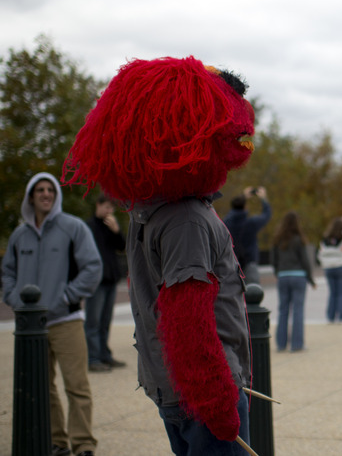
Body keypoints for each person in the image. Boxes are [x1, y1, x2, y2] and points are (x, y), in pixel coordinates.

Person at [63, 57, 258, 455]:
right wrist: (218, 402)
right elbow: (188, 319)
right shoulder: (186, 218)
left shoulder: (148, 211)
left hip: (173, 387)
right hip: (202, 397)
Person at [2, 172, 102, 456]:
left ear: (56, 195)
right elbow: (8, 272)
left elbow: (93, 267)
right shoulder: (20, 235)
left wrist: (67, 297)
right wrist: (14, 299)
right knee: (42, 388)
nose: (46, 194)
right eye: (40, 190)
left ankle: (83, 445)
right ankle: (57, 441)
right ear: (31, 196)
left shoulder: (73, 227)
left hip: (66, 321)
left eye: (51, 190)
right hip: (31, 327)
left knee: (77, 386)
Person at [84, 194, 127, 372]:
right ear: (98, 205)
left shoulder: (111, 226)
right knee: (93, 321)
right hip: (95, 281)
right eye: (107, 207)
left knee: (105, 321)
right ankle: (93, 358)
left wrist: (116, 231)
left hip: (110, 278)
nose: (110, 211)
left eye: (112, 208)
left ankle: (104, 355)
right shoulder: (88, 227)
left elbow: (122, 247)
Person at [272, 211, 316, 352]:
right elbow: (305, 261)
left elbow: (273, 260)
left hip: (283, 276)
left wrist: (278, 273)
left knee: (283, 310)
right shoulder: (298, 239)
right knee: (298, 310)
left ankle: (281, 344)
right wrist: (311, 279)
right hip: (298, 276)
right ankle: (297, 344)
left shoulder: (277, 240)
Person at [223, 186, 272, 285]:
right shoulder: (251, 223)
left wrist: (243, 197)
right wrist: (264, 199)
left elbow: (231, 214)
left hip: (232, 262)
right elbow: (266, 215)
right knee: (252, 290)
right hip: (249, 262)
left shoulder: (227, 223)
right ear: (245, 207)